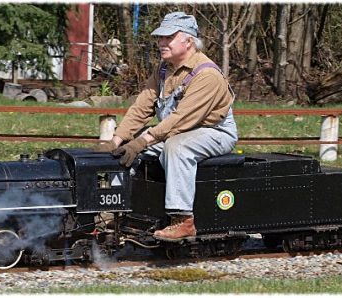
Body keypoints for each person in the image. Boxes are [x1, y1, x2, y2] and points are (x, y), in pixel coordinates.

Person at [96, 11, 238, 241]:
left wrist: (143, 141)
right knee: (130, 153)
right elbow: (142, 106)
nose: (161, 42)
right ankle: (127, 211)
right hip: (176, 131)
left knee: (176, 148)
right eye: (160, 37)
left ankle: (183, 220)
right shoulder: (164, 70)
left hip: (214, 132)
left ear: (188, 41)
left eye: (168, 37)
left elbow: (180, 119)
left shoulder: (207, 75)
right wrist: (116, 141)